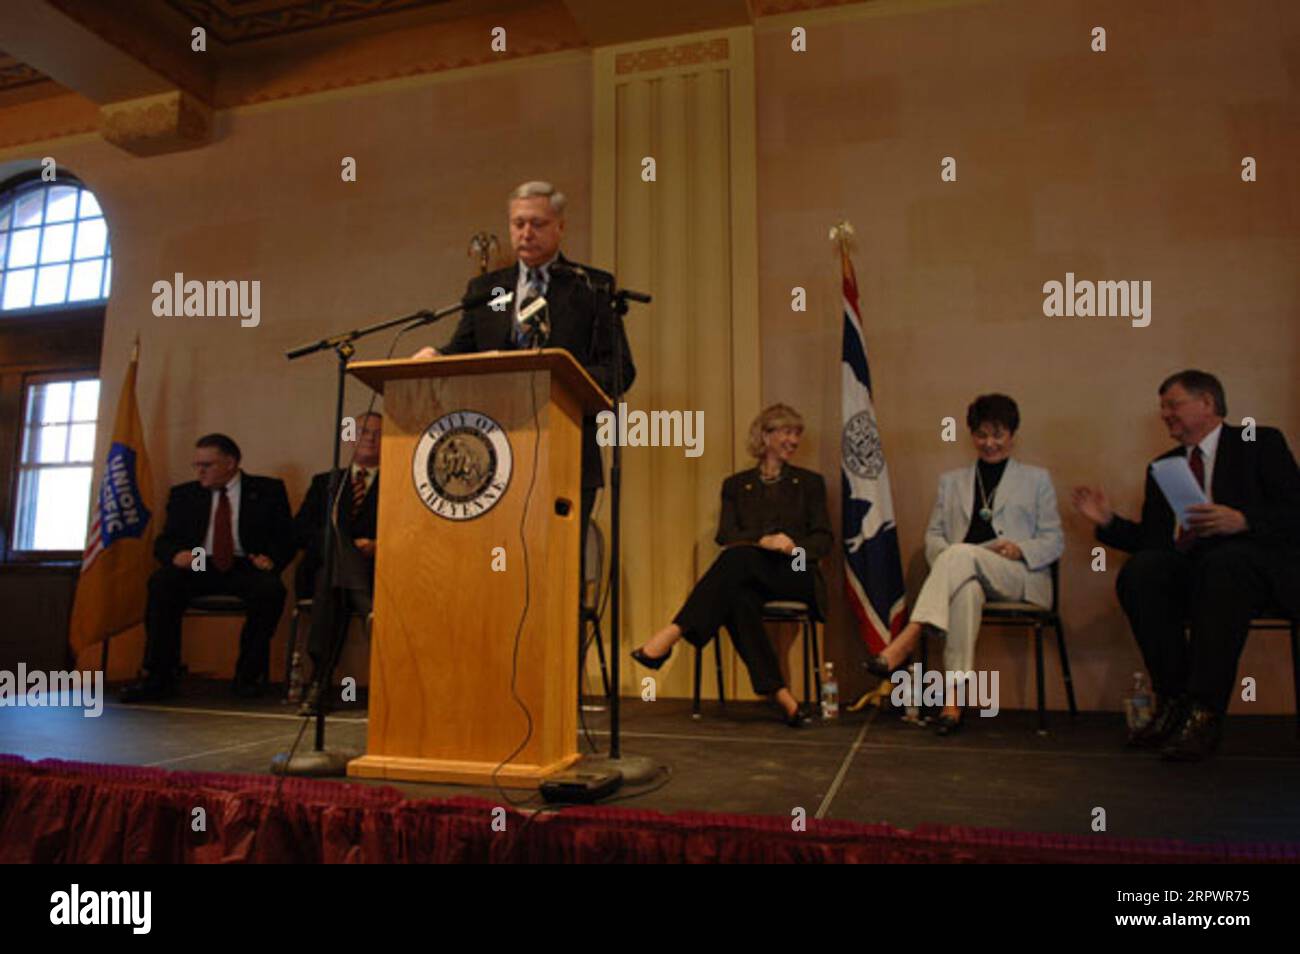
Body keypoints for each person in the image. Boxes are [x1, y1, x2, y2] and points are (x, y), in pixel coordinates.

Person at [1073, 370, 1300, 761]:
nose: (1165, 414)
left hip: (1254, 569)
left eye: (1172, 404)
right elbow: (1155, 541)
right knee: (1143, 571)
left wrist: (1243, 520)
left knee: (1226, 563)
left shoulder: (1259, 442)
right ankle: (1174, 702)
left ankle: (1204, 711)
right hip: (1195, 570)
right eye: (1162, 407)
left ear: (1207, 403)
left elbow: (1294, 512)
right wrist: (1109, 522)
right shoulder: (1163, 466)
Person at [411, 180, 636, 537]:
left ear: (560, 227)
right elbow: (463, 350)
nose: (526, 233)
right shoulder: (488, 290)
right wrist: (436, 355)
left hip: (566, 445)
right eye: (518, 224)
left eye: (538, 223)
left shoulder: (591, 287)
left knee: (560, 564)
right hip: (489, 449)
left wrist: (560, 379)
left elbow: (620, 370)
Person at [864, 394, 1064, 734]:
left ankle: (908, 638)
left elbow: (1054, 540)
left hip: (1017, 575)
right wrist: (953, 555)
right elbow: (934, 537)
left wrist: (1021, 548)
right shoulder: (951, 481)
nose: (990, 443)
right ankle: (952, 705)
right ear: (971, 435)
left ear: (1012, 435)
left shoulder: (1036, 479)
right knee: (964, 588)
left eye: (998, 435)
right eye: (982, 434)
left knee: (959, 555)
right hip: (965, 571)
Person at [630, 404, 832, 727]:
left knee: (736, 559)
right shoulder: (736, 485)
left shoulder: (810, 483)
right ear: (765, 436)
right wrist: (763, 540)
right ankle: (784, 698)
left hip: (796, 569)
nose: (794, 440)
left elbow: (824, 540)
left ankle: (671, 634)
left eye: (797, 434)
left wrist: (793, 546)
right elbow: (726, 534)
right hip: (752, 572)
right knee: (737, 598)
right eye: (787, 432)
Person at [121, 434, 294, 702]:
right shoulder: (185, 494)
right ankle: (159, 678)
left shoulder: (267, 490)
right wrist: (176, 555)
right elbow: (164, 540)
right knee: (162, 583)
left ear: (231, 463)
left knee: (270, 590)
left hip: (244, 561)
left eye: (208, 465)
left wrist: (272, 560)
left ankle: (247, 678)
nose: (200, 471)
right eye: (197, 465)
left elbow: (286, 536)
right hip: (200, 560)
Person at [293, 411, 381, 715]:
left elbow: (410, 533)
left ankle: (318, 683)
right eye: (364, 431)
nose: (370, 437)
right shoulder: (326, 482)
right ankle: (367, 607)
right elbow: (301, 531)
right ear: (350, 437)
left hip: (376, 573)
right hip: (325, 567)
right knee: (332, 558)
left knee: (329, 587)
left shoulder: (399, 483)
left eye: (378, 433)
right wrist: (341, 546)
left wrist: (379, 546)